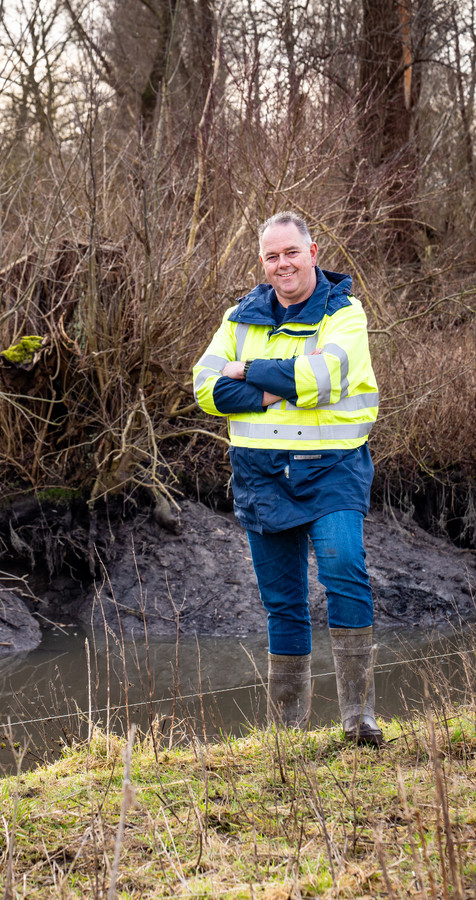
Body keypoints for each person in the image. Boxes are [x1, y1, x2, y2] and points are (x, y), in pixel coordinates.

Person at [192, 212, 382, 745]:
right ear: (262, 262)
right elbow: (206, 389)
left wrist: (247, 371)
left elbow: (323, 379)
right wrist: (282, 384)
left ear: (313, 252)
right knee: (283, 602)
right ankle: (288, 732)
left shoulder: (344, 315)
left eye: (292, 253)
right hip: (260, 475)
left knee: (345, 571)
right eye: (272, 256)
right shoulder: (239, 318)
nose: (283, 264)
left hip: (333, 470)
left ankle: (358, 720)